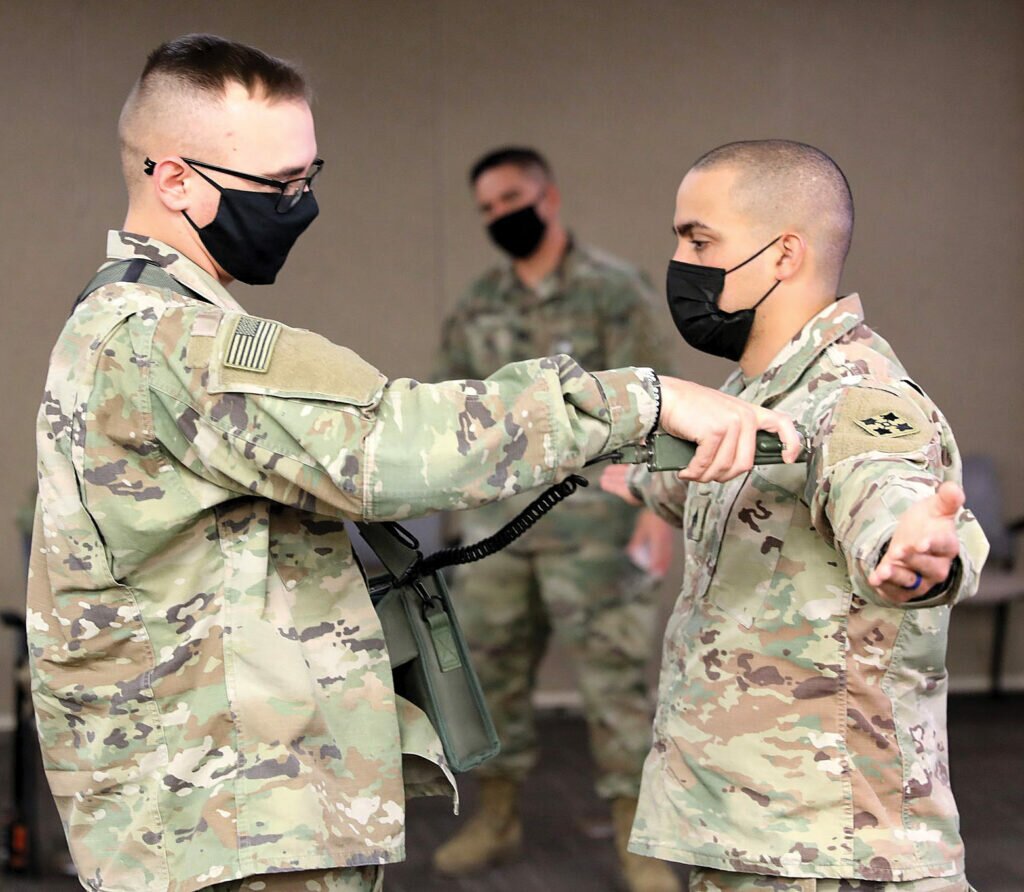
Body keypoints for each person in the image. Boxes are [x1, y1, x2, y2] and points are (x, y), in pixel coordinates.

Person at [27, 37, 800, 892]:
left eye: (308, 176)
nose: (302, 204)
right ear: (175, 181)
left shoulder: (135, 319)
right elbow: (382, 443)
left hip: (219, 798)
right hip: (225, 810)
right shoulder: (168, 338)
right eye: (277, 188)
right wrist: (640, 402)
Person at [602, 140, 989, 892]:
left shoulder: (855, 396)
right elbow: (700, 487)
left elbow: (882, 484)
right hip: (754, 836)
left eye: (698, 239)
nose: (678, 260)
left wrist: (911, 547)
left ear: (783, 255)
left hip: (832, 855)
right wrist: (613, 465)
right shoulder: (756, 397)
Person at [431, 146, 680, 892]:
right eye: (486, 208)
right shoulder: (477, 305)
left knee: (615, 689)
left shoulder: (615, 292)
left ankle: (638, 842)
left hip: (598, 531)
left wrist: (659, 515)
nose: (499, 215)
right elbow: (451, 418)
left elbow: (657, 403)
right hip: (498, 537)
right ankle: (496, 820)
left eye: (511, 198)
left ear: (548, 196)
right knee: (493, 686)